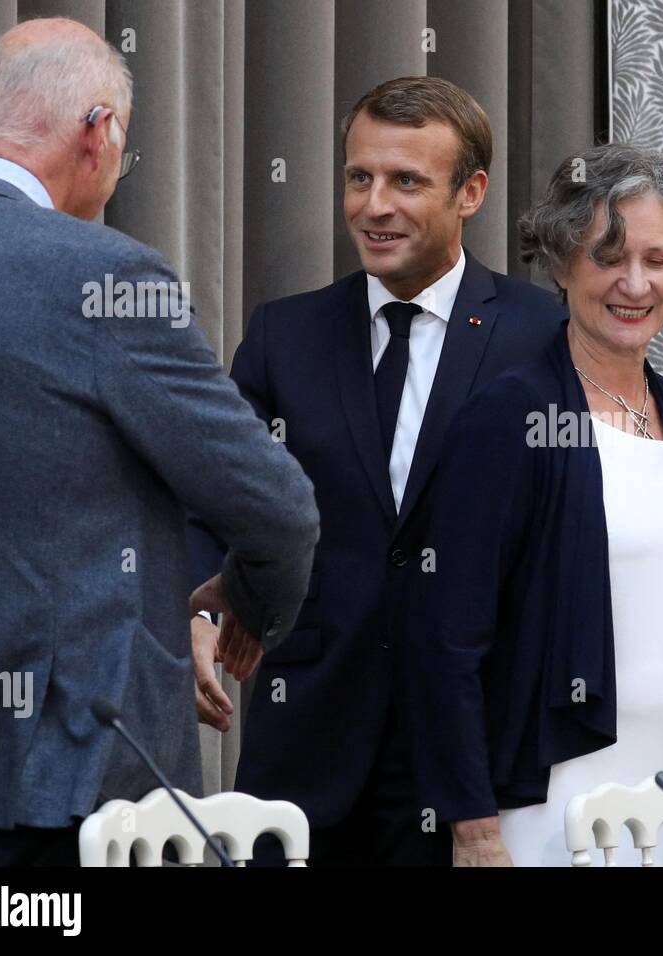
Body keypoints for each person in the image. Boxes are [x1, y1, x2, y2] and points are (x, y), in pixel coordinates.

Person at [0, 18, 319, 866]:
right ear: (97, 131)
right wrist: (241, 607)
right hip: (59, 783)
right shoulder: (102, 277)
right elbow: (277, 509)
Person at [187, 76, 565, 866]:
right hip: (306, 747)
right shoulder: (283, 335)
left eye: (406, 181)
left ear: (471, 193)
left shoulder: (543, 335)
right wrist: (195, 613)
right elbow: (210, 496)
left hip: (478, 758)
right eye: (360, 177)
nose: (373, 205)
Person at [399, 143, 663, 867]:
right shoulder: (509, 413)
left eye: (658, 259)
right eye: (608, 256)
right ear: (564, 261)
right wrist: (475, 831)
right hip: (545, 805)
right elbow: (442, 637)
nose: (634, 283)